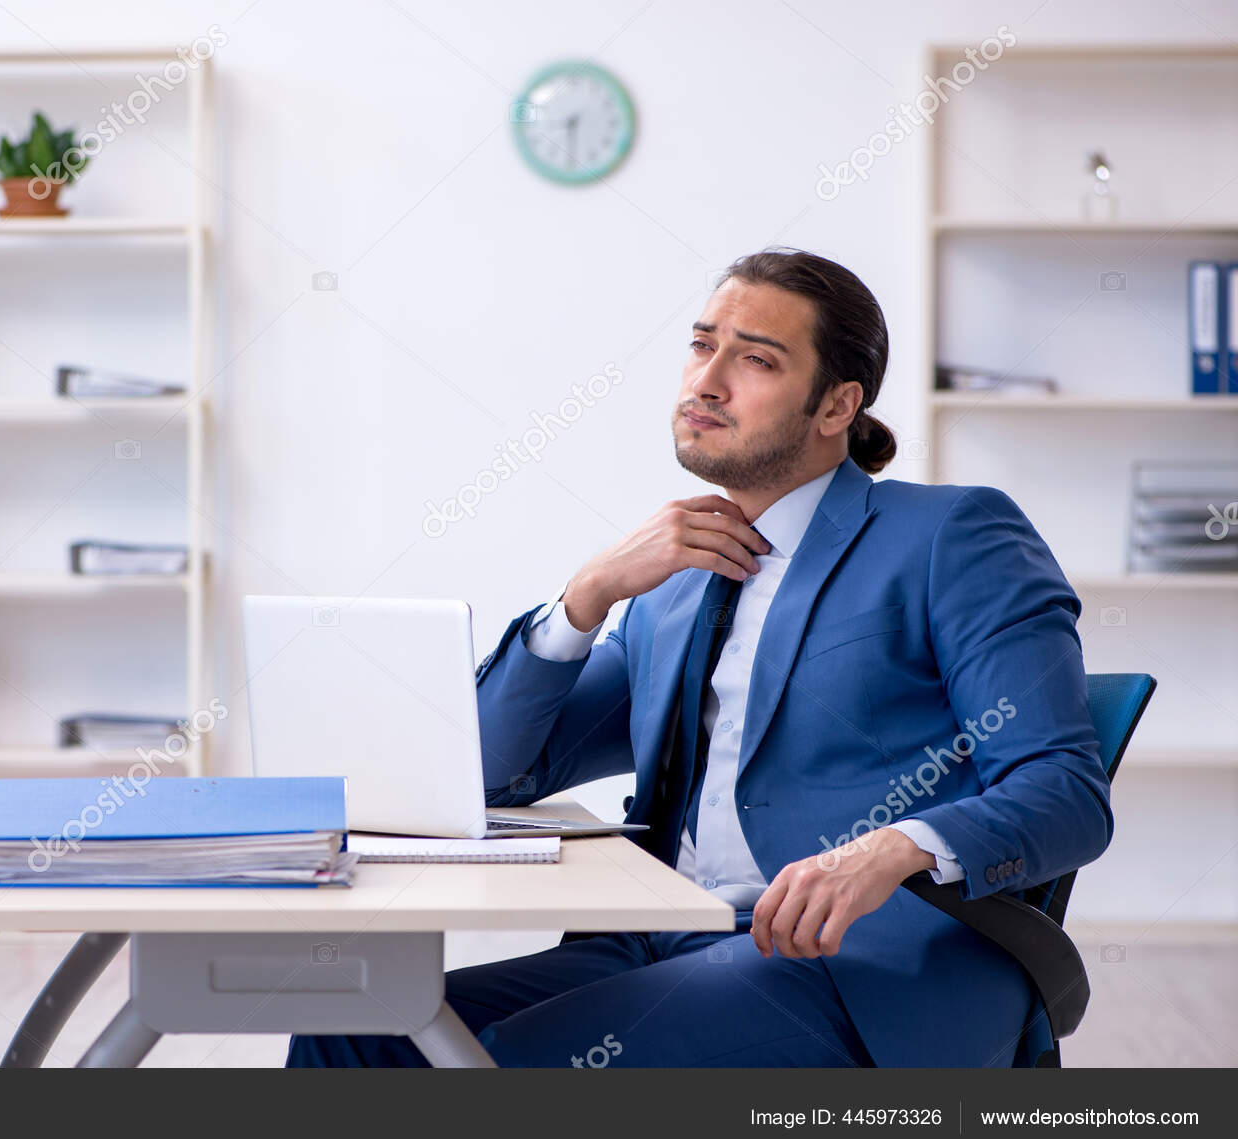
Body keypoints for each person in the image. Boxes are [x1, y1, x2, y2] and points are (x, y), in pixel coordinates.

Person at [288, 247, 1110, 1068]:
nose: (707, 381)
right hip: (659, 939)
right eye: (700, 345)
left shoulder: (949, 536)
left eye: (755, 359)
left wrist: (894, 846)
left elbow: (1065, 792)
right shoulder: (671, 584)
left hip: (851, 968)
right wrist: (588, 596)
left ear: (836, 406)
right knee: (357, 1026)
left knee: (505, 1061)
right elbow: (496, 771)